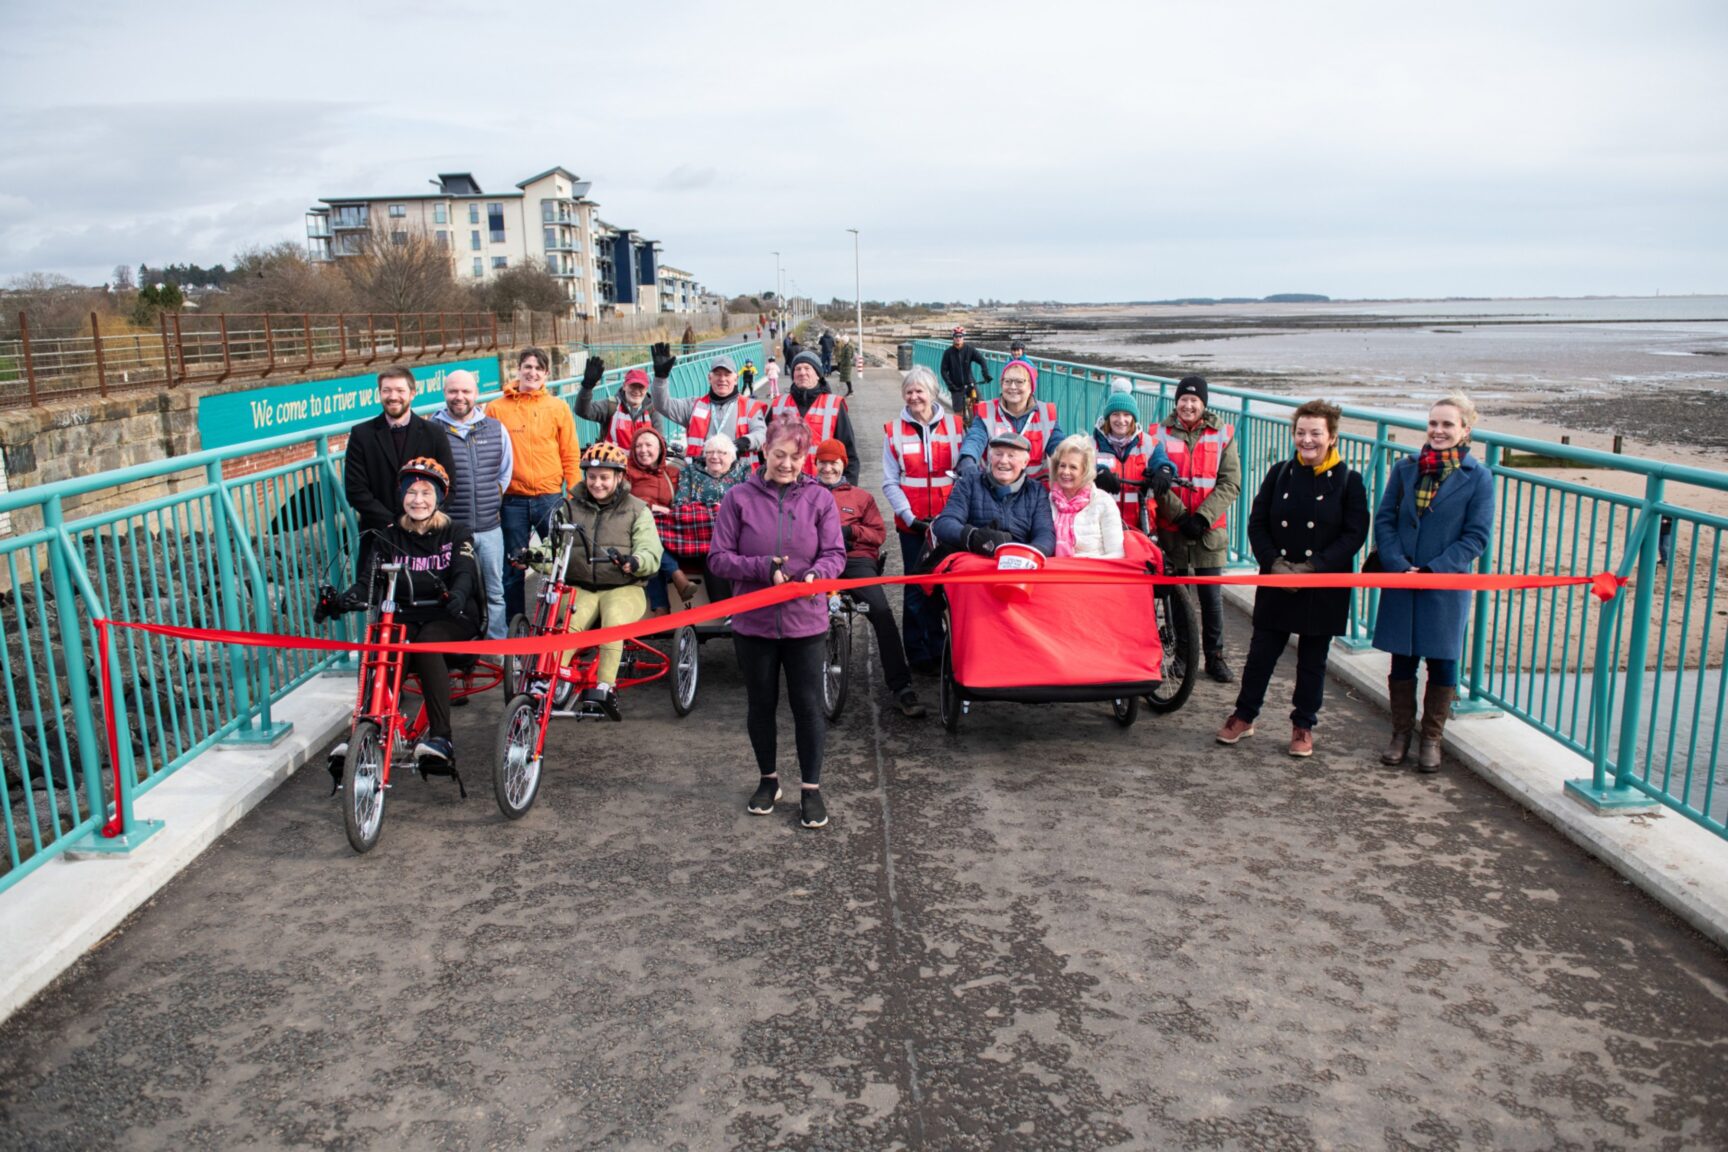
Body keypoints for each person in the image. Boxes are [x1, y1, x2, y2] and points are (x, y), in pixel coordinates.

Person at [708, 416, 847, 829]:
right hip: (754, 622)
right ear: (764, 452)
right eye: (779, 454)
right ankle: (768, 779)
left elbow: (835, 554)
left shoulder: (820, 499)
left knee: (807, 706)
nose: (787, 463)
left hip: (807, 622)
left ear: (805, 458)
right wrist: (761, 569)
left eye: (796, 456)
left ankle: (811, 787)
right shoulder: (738, 498)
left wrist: (816, 576)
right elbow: (718, 559)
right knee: (761, 704)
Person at [1215, 401, 1370, 757]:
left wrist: (1314, 567)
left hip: (1323, 582)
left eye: (1315, 433)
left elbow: (1354, 533)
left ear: (1331, 437)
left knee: (1312, 660)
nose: (1307, 440)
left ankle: (1303, 724)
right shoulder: (1280, 473)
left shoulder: (1349, 481)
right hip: (1277, 577)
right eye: (1301, 432)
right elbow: (1257, 522)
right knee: (1261, 653)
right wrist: (1274, 563)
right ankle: (1245, 714)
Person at [317, 457, 482, 775]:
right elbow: (368, 583)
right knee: (385, 642)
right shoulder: (388, 536)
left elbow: (465, 572)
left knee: (427, 643)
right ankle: (367, 728)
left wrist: (458, 594)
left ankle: (441, 740)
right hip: (404, 615)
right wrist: (340, 601)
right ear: (401, 496)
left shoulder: (456, 532)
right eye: (411, 492)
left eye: (426, 492)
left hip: (450, 614)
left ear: (439, 497)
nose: (418, 500)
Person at [1371, 393, 1495, 772]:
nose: (1438, 431)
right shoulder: (1405, 468)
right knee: (1402, 659)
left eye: (1447, 425)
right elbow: (1385, 519)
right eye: (1433, 424)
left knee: (1443, 663)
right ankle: (1400, 734)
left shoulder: (1479, 477)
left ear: (1465, 430)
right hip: (1402, 577)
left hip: (1445, 584)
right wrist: (1397, 563)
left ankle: (1431, 738)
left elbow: (1476, 536)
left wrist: (1433, 570)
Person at [813, 438, 927, 718]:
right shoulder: (802, 494)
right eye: (823, 463)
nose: (828, 468)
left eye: (834, 463)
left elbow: (878, 535)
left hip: (855, 561)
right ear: (815, 464)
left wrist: (851, 533)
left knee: (881, 611)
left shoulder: (861, 497)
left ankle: (901, 688)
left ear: (843, 464)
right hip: (816, 561)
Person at [553, 441, 663, 719]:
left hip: (623, 587)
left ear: (619, 477)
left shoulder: (637, 509)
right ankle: (550, 680)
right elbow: (553, 548)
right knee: (568, 624)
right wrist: (532, 556)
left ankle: (605, 688)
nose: (597, 483)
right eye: (591, 477)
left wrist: (634, 562)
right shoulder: (570, 508)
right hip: (581, 586)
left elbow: (651, 550)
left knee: (613, 622)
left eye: (604, 477)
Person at [1151, 375, 1241, 683]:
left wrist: (1202, 518)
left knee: (1212, 600)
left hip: (1209, 532)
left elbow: (1231, 483)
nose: (1188, 405)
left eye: (1194, 400)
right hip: (1173, 530)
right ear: (1176, 402)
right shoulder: (1158, 433)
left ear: (1204, 403)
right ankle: (1182, 658)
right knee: (1178, 598)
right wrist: (1179, 517)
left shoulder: (1223, 434)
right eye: (1183, 400)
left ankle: (1215, 658)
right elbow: (1157, 481)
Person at [881, 366, 964, 675]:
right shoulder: (893, 431)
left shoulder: (957, 426)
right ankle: (917, 652)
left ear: (933, 393)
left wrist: (953, 516)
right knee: (916, 587)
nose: (915, 396)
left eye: (920, 391)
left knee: (944, 585)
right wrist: (909, 516)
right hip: (913, 525)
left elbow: (966, 477)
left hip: (949, 523)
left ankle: (942, 648)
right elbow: (890, 482)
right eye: (910, 391)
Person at [491, 346, 582, 623]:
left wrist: (574, 494)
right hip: (512, 500)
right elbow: (491, 456)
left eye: (537, 368)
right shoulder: (496, 408)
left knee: (560, 561)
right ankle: (515, 625)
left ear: (546, 373)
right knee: (513, 567)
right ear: (518, 370)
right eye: (527, 367)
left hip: (549, 497)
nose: (532, 373)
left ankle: (560, 621)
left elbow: (570, 454)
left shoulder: (558, 407)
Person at [343, 365, 454, 578]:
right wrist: (395, 523)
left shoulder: (434, 433)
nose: (393, 397)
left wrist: (421, 519)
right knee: (378, 606)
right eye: (386, 391)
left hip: (426, 538)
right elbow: (356, 490)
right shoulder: (361, 435)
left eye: (400, 390)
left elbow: (450, 486)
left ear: (412, 393)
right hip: (380, 536)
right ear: (380, 394)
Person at [430, 368, 512, 640]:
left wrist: (491, 501)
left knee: (495, 591)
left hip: (489, 527)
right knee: (453, 591)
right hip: (451, 529)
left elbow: (505, 473)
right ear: (444, 394)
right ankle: (462, 648)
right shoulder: (432, 431)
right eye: (453, 391)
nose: (459, 397)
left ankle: (496, 648)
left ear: (476, 394)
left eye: (465, 391)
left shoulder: (495, 428)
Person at [933, 430, 1056, 558]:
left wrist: (1024, 554)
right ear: (990, 458)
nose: (1003, 461)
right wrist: (974, 537)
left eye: (1011, 456)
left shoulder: (1036, 491)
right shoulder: (969, 483)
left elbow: (1045, 534)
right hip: (973, 561)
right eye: (998, 454)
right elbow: (944, 523)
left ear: (1025, 463)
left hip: (1018, 565)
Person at [662, 433, 750, 602]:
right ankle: (725, 609)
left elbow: (751, 504)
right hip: (700, 531)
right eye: (710, 452)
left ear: (732, 457)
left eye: (721, 453)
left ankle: (737, 608)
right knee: (712, 550)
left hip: (734, 530)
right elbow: (681, 502)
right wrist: (713, 510)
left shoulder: (743, 472)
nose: (715, 457)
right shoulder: (691, 471)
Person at [649, 345, 767, 466]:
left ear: (736, 379)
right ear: (709, 378)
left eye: (727, 375)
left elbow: (762, 435)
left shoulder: (749, 407)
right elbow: (661, 404)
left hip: (740, 478)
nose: (722, 379)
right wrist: (660, 378)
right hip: (700, 478)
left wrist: (745, 442)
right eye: (717, 374)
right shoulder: (693, 406)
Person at [957, 358, 1063, 484]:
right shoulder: (987, 411)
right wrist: (968, 459)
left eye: (1019, 382)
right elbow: (975, 439)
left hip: (1035, 490)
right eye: (1007, 381)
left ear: (1031, 387)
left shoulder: (1046, 414)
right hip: (996, 489)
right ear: (1002, 385)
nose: (1013, 387)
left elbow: (1060, 448)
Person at [1091, 383, 1175, 531]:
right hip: (1101, 524)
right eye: (1115, 414)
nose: (1121, 420)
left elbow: (1161, 461)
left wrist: (1164, 470)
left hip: (1140, 524)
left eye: (1127, 415)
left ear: (1133, 418)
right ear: (1108, 418)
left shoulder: (1150, 444)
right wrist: (1097, 473)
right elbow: (1079, 468)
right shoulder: (1091, 444)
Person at [771, 351, 859, 482]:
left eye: (807, 368)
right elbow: (766, 448)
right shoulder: (778, 404)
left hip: (823, 484)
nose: (802, 372)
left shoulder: (833, 404)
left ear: (818, 375)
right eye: (797, 369)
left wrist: (848, 490)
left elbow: (848, 451)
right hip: (785, 484)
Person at [624, 425, 683, 617]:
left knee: (652, 545)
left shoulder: (672, 472)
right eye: (638, 446)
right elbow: (623, 499)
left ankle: (661, 608)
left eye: (648, 445)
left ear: (660, 449)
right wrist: (651, 507)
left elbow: (681, 498)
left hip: (668, 526)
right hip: (637, 525)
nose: (643, 450)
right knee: (649, 543)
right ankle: (675, 574)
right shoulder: (626, 472)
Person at [1047, 435, 1124, 558]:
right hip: (1054, 573)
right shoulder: (1047, 501)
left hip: (1094, 573)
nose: (1065, 472)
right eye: (1062, 466)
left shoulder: (1103, 502)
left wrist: (1082, 562)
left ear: (1085, 471)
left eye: (1073, 467)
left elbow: (1117, 553)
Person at [574, 358, 656, 449]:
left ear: (646, 389)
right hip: (612, 461)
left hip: (641, 461)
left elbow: (659, 440)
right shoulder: (611, 405)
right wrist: (587, 387)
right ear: (624, 386)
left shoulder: (652, 409)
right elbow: (582, 411)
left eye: (641, 387)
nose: (637, 391)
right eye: (633, 386)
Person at [939, 327, 990, 426]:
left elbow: (982, 360)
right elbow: (943, 371)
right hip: (956, 386)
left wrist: (985, 373)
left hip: (970, 383)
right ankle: (960, 432)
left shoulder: (969, 350)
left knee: (981, 404)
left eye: (960, 336)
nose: (958, 338)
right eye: (956, 336)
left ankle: (980, 426)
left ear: (963, 337)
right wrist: (950, 385)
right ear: (953, 338)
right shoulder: (948, 353)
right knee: (958, 413)